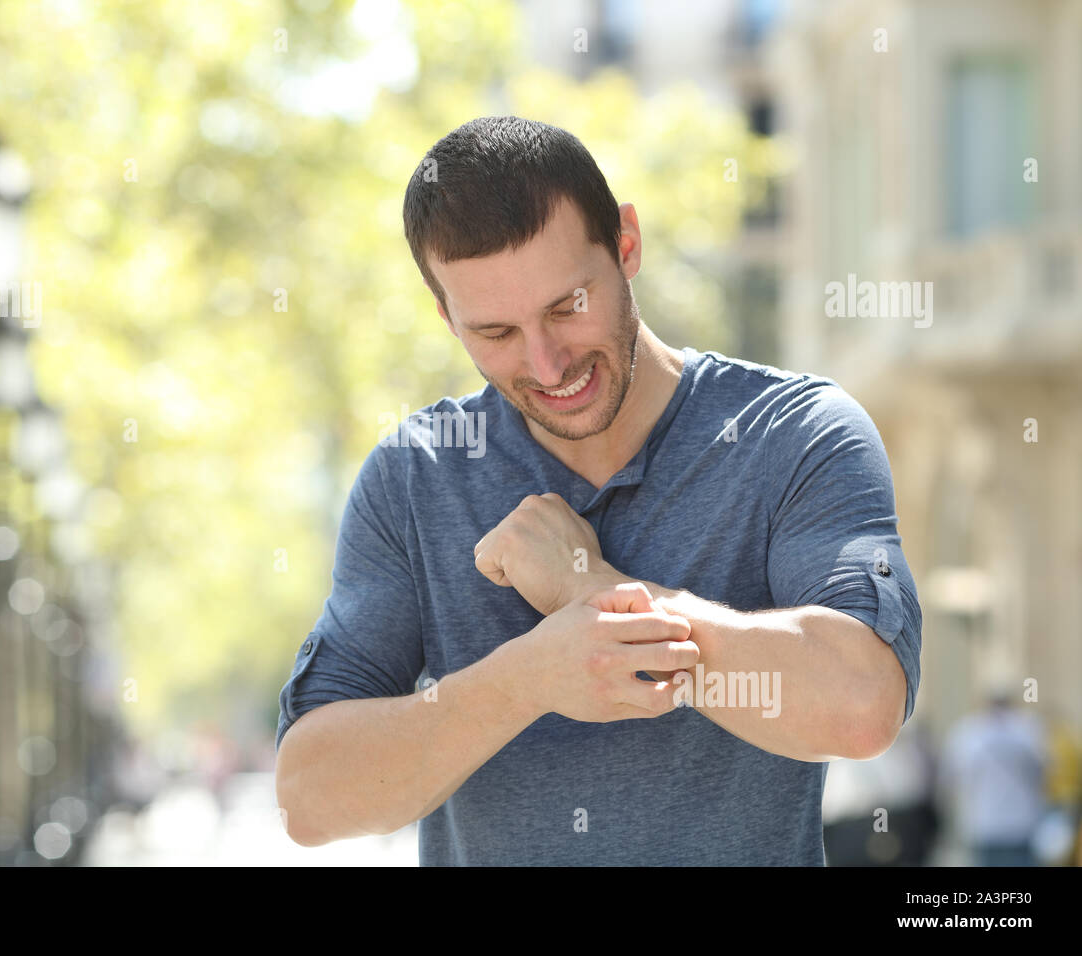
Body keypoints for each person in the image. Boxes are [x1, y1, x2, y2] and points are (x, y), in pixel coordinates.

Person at [274, 116, 922, 865]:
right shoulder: (415, 476)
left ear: (627, 244)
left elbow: (861, 707)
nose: (547, 365)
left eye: (565, 308)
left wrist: (600, 594)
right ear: (447, 319)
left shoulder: (795, 434)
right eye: (497, 333)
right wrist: (530, 678)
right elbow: (307, 797)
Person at [939, 689, 1050, 866]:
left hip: (984, 823)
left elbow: (951, 778)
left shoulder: (967, 732)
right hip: (1021, 823)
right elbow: (1043, 771)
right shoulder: (1027, 729)